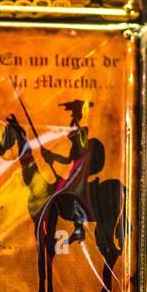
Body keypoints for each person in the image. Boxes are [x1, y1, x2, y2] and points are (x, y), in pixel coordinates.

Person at [41, 99, 99, 243]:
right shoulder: (77, 134)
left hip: (81, 170)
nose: (72, 118)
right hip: (74, 168)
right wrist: (51, 156)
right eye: (72, 115)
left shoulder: (83, 132)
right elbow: (68, 160)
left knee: (68, 189)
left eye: (74, 115)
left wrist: (76, 127)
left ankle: (79, 227)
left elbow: (81, 150)